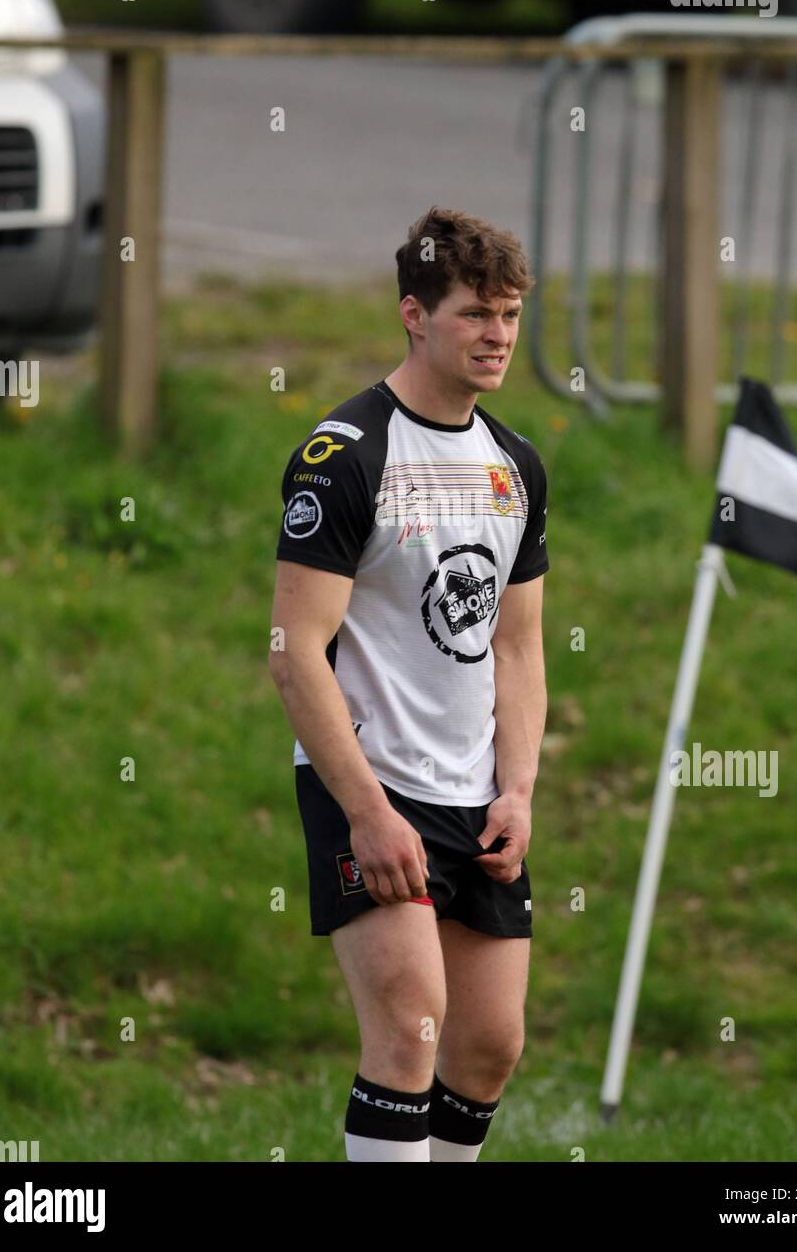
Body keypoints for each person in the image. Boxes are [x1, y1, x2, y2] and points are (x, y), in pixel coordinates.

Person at [269, 205, 549, 1162]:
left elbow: (518, 649)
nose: (498, 335)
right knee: (409, 1031)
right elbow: (294, 650)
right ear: (414, 315)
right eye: (476, 313)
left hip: (475, 795)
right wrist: (365, 811)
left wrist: (517, 787)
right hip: (370, 785)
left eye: (510, 314)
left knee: (488, 1047)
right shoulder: (344, 455)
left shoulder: (516, 465)